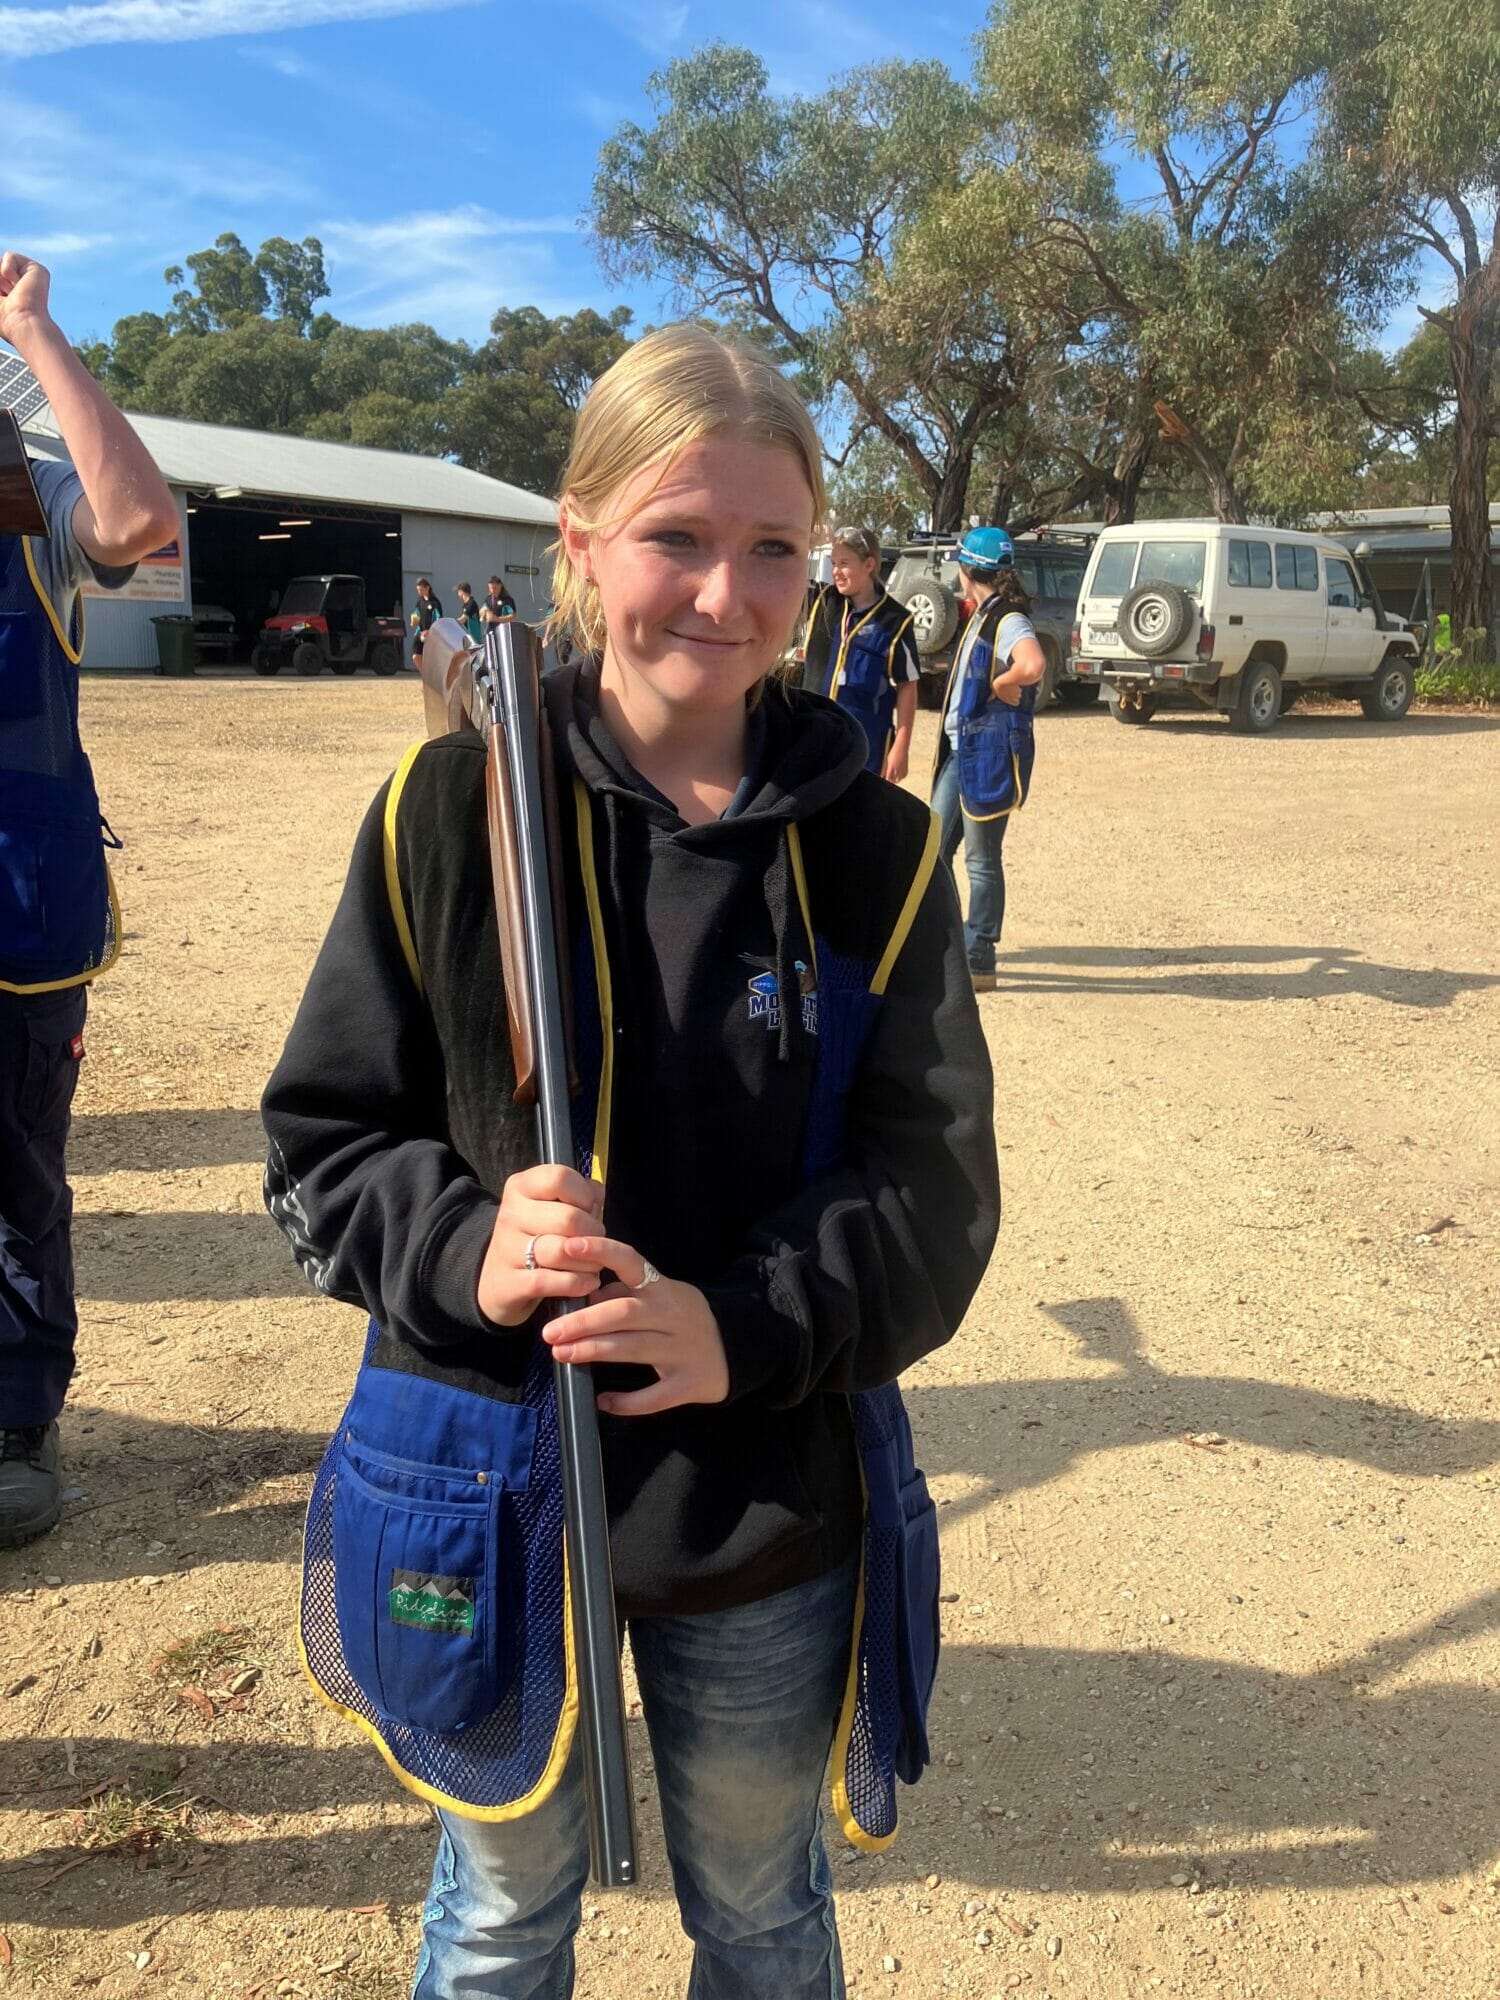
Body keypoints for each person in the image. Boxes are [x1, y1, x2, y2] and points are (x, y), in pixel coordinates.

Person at [262, 324, 999, 1999]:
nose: (723, 598)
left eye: (771, 552)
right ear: (580, 545)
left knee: (758, 1913)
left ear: (818, 569)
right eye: (677, 537)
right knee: (503, 1911)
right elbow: (322, 1140)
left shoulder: (880, 855)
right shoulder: (446, 817)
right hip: (484, 1501)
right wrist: (462, 1250)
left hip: (759, 1523)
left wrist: (740, 1324)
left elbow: (937, 1196)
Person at [0, 251, 179, 1548]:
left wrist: (34, 339)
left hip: (16, 910)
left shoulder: (33, 501)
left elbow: (137, 524)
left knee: (15, 1180)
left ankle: (15, 1416)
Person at [930, 526, 1047, 992]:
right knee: (933, 851)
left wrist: (1003, 684)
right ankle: (947, 942)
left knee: (981, 859)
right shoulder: (984, 613)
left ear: (965, 570)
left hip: (986, 753)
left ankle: (979, 953)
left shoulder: (1007, 619)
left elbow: (1032, 664)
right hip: (964, 751)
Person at [800, 527, 919, 782]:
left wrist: (901, 746)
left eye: (844, 563)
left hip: (866, 745)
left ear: (868, 564)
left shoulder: (896, 620)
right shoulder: (824, 601)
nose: (835, 572)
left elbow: (907, 685)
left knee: (856, 816)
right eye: (833, 563)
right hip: (814, 736)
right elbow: (785, 573)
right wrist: (809, 541)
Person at [409, 577, 443, 663]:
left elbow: (439, 620)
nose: (419, 592)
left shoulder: (435, 603)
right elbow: (416, 614)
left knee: (430, 659)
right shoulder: (419, 601)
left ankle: (431, 675)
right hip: (420, 633)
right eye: (418, 590)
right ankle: (425, 675)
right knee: (415, 656)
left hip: (431, 634)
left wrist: (430, 631)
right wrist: (413, 621)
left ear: (427, 588)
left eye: (421, 589)